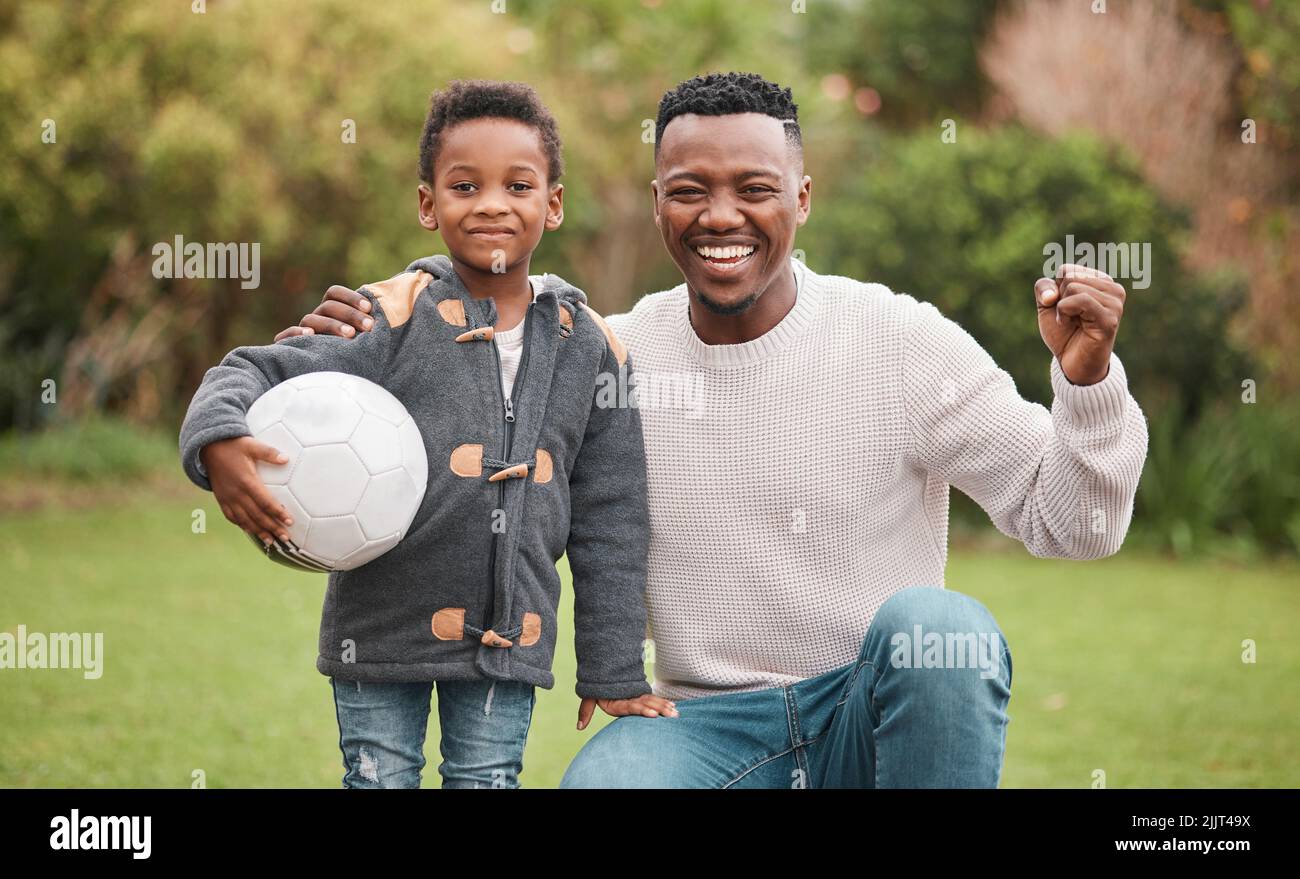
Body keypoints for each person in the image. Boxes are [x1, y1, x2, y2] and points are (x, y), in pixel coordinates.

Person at [274, 72, 1149, 788]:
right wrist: (319, 390)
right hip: (701, 731)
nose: (721, 216)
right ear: (659, 203)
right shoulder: (600, 358)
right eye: (690, 191)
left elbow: (1074, 523)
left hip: (866, 714)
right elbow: (452, 456)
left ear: (802, 198)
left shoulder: (901, 340)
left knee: (943, 630)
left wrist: (1088, 384)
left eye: (755, 189)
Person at [178, 80, 676, 789]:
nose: (492, 204)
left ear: (554, 203)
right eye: (465, 186)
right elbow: (253, 369)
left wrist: (614, 668)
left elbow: (612, 519)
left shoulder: (590, 347)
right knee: (377, 779)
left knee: (487, 779)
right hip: (378, 633)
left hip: (508, 643)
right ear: (427, 204)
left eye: (518, 185)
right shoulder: (387, 315)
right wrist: (219, 441)